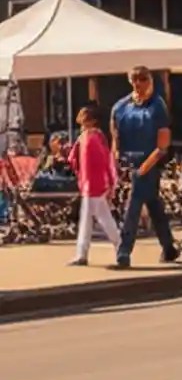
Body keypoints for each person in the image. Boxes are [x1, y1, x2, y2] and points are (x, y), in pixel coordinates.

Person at [110, 66, 179, 269]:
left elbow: (162, 145)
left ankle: (123, 251)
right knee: (154, 204)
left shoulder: (157, 107)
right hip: (127, 163)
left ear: (150, 81)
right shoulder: (120, 107)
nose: (139, 84)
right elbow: (115, 138)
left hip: (148, 164)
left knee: (133, 206)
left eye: (143, 80)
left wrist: (144, 168)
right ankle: (168, 247)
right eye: (135, 80)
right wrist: (117, 162)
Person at [66, 105, 120, 266]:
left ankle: (118, 247)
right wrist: (110, 181)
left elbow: (76, 160)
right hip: (94, 184)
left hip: (91, 184)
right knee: (97, 218)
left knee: (95, 219)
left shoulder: (88, 138)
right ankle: (118, 247)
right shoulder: (93, 137)